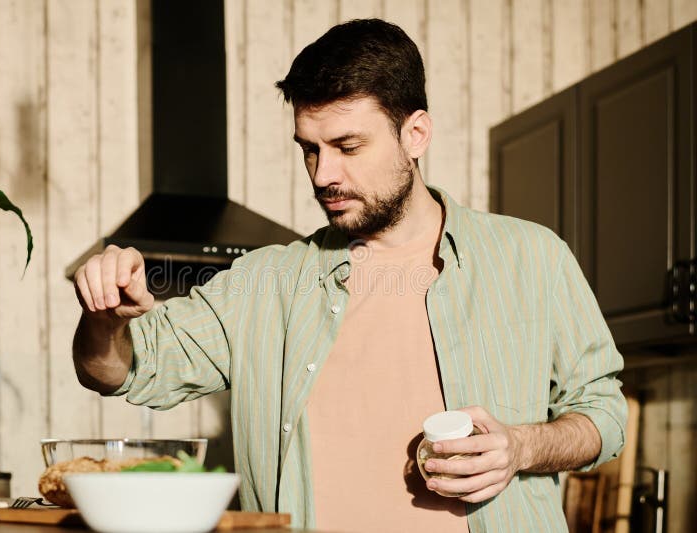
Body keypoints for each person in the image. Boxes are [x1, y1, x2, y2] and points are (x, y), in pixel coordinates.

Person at [72, 19, 626, 533]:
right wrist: (102, 319)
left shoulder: (532, 257)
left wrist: (522, 447)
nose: (323, 174)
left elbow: (603, 412)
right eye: (309, 150)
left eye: (347, 146)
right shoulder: (266, 282)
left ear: (416, 134)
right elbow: (118, 370)